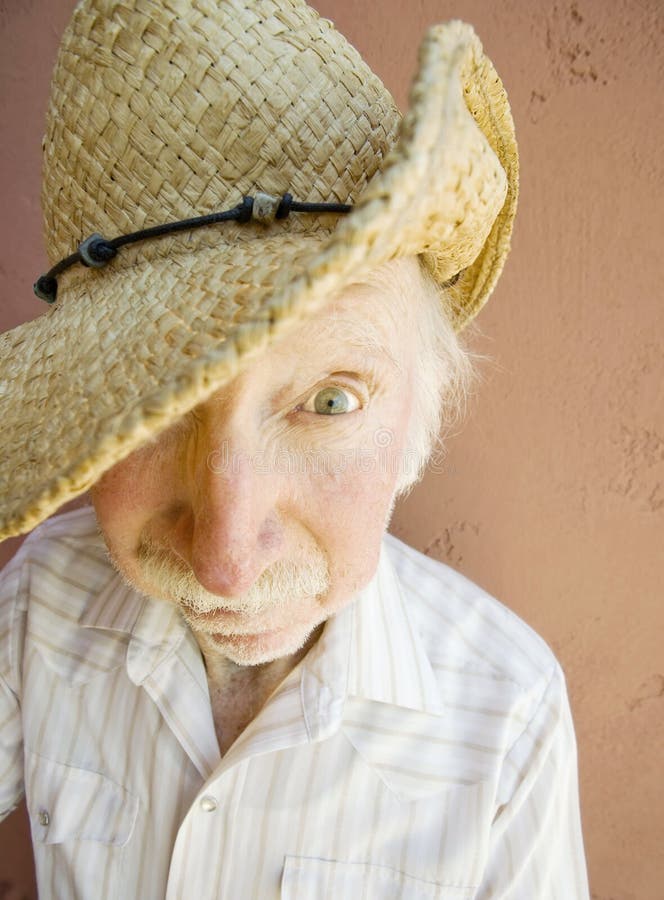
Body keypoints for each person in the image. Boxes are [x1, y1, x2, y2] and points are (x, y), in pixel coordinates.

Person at [0, 0, 589, 897]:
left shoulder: (508, 717)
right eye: (153, 408)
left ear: (417, 429)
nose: (226, 563)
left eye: (329, 401)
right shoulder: (42, 598)